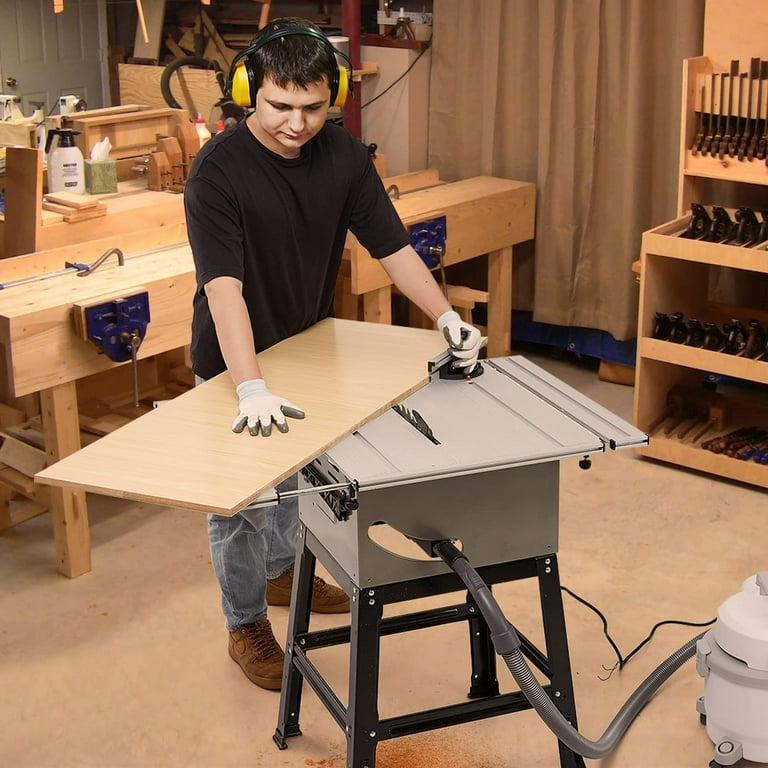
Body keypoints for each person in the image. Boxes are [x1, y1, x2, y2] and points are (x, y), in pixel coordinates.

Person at [184, 16, 483, 691]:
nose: (297, 123)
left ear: (335, 96)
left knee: (301, 474)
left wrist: (445, 319)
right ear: (249, 91)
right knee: (243, 501)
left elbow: (393, 247)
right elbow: (224, 290)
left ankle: (286, 572)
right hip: (235, 357)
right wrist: (249, 387)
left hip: (308, 342)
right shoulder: (217, 173)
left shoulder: (344, 156)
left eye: (313, 107)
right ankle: (244, 621)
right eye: (280, 107)